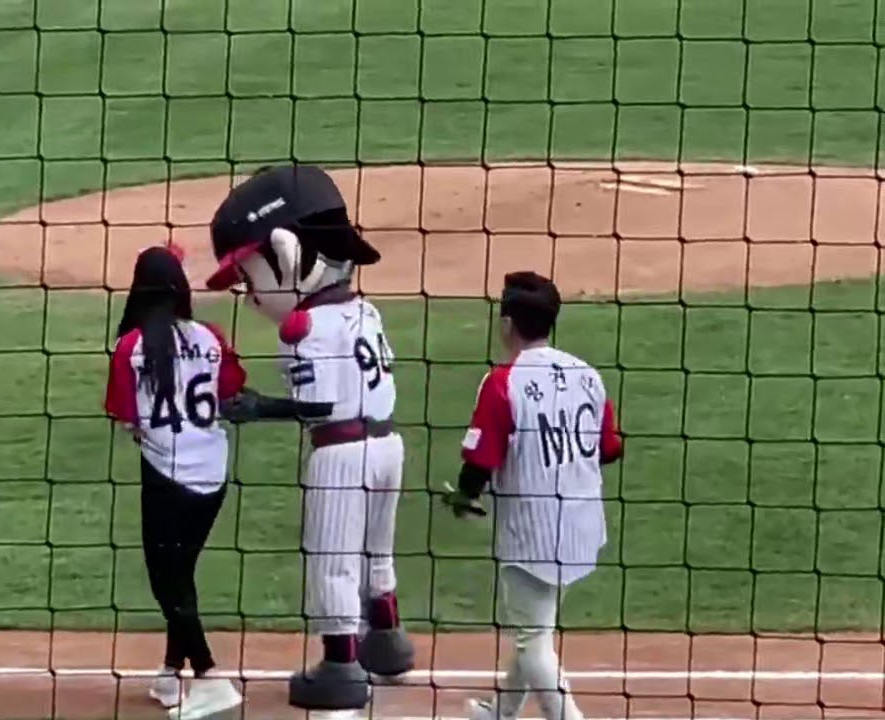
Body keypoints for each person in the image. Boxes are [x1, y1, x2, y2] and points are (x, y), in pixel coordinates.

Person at [202, 164, 414, 712]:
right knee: (376, 550)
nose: (249, 293)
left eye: (250, 277)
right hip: (390, 446)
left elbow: (317, 405)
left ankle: (341, 663)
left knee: (332, 557)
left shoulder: (301, 329)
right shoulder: (365, 309)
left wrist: (257, 408)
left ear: (287, 253)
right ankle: (387, 640)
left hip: (341, 453)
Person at [443, 271, 624, 720]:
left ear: (507, 324)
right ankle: (501, 713)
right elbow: (609, 449)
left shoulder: (503, 382)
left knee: (533, 639)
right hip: (583, 525)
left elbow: (480, 461)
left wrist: (464, 498)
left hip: (532, 535)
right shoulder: (586, 375)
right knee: (535, 627)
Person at [103, 244, 246, 720]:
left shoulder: (131, 346)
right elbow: (229, 391)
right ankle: (170, 672)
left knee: (169, 581)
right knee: (180, 575)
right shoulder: (210, 335)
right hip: (212, 477)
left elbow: (126, 418)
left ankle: (208, 675)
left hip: (166, 478)